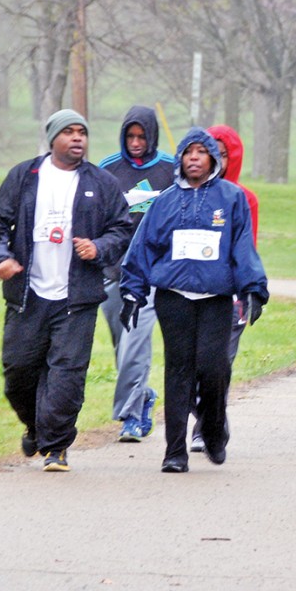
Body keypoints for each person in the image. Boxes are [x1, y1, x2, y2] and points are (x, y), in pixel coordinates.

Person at [0, 108, 133, 471]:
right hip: (27, 297)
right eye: (69, 132)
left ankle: (56, 447)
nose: (77, 138)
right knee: (18, 373)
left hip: (76, 298)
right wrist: (0, 257)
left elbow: (122, 229)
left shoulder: (101, 183)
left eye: (82, 132)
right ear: (53, 138)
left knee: (66, 375)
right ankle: (35, 427)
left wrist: (98, 248)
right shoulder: (24, 176)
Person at [119, 126, 268, 473]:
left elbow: (243, 248)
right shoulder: (166, 201)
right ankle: (174, 452)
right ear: (180, 160)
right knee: (178, 371)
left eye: (202, 152)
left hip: (215, 298)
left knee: (214, 368)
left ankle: (214, 431)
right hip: (174, 298)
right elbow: (142, 249)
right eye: (188, 153)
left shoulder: (232, 199)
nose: (194, 159)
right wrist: (132, 292)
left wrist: (253, 289)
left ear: (213, 158)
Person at [98, 106, 175, 442]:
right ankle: (143, 397)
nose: (136, 142)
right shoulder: (108, 169)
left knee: (134, 342)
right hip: (113, 270)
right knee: (122, 346)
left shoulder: (171, 169)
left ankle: (129, 417)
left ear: (152, 136)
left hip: (152, 273)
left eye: (142, 136)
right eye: (130, 136)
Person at [186, 123, 260, 453]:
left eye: (223, 153)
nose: (216, 159)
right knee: (188, 364)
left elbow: (248, 248)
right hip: (189, 292)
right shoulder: (188, 193)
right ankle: (206, 413)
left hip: (229, 295)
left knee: (218, 362)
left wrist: (248, 291)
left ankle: (209, 424)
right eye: (209, 151)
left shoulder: (244, 199)